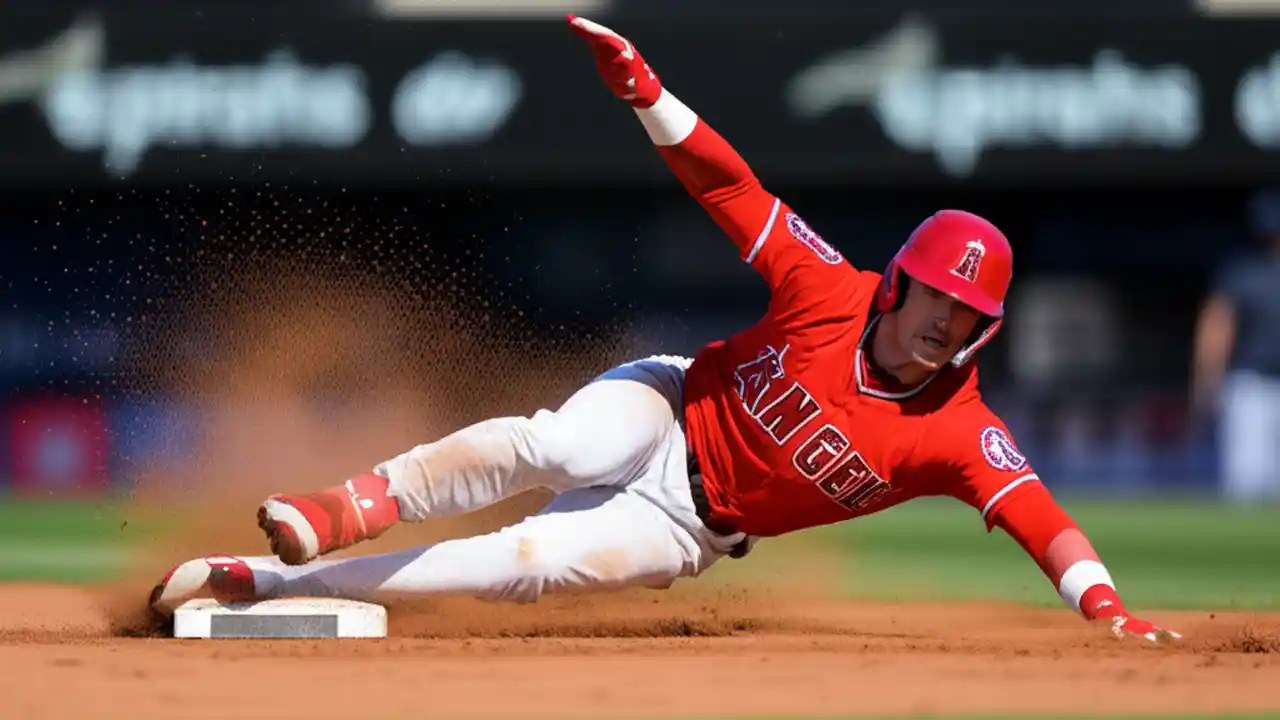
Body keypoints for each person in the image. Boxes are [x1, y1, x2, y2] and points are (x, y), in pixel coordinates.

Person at [150, 16, 1178, 643]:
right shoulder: (828, 287)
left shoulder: (954, 425)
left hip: (688, 530)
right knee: (556, 442)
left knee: (521, 562)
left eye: (965, 318)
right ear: (898, 282)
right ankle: (352, 503)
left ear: (980, 334)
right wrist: (646, 94)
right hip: (667, 406)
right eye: (932, 299)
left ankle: (275, 585)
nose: (940, 325)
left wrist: (1105, 611)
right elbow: (730, 187)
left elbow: (1040, 517)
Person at [1192, 189, 1280, 502]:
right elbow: (1216, 327)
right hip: (1252, 385)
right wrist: (1207, 379)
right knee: (1247, 484)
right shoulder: (1242, 273)